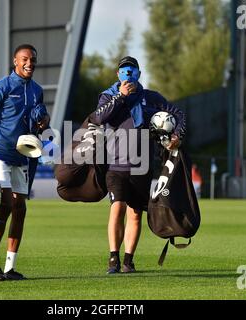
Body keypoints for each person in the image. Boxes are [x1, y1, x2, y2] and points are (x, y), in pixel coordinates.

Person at [89, 56, 186, 274]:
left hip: (142, 165)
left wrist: (177, 134)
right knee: (117, 208)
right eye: (124, 70)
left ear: (139, 74)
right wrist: (121, 96)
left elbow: (178, 114)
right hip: (115, 165)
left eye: (132, 70)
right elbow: (99, 117)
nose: (128, 74)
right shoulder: (107, 95)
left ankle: (128, 261)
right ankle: (113, 258)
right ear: (118, 75)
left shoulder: (151, 98)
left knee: (135, 213)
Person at [0, 44, 50, 281]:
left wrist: (43, 121)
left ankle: (9, 267)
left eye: (33, 59)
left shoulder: (37, 90)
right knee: (4, 204)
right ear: (15, 61)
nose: (29, 63)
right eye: (25, 59)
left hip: (23, 156)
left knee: (20, 209)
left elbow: (39, 120)